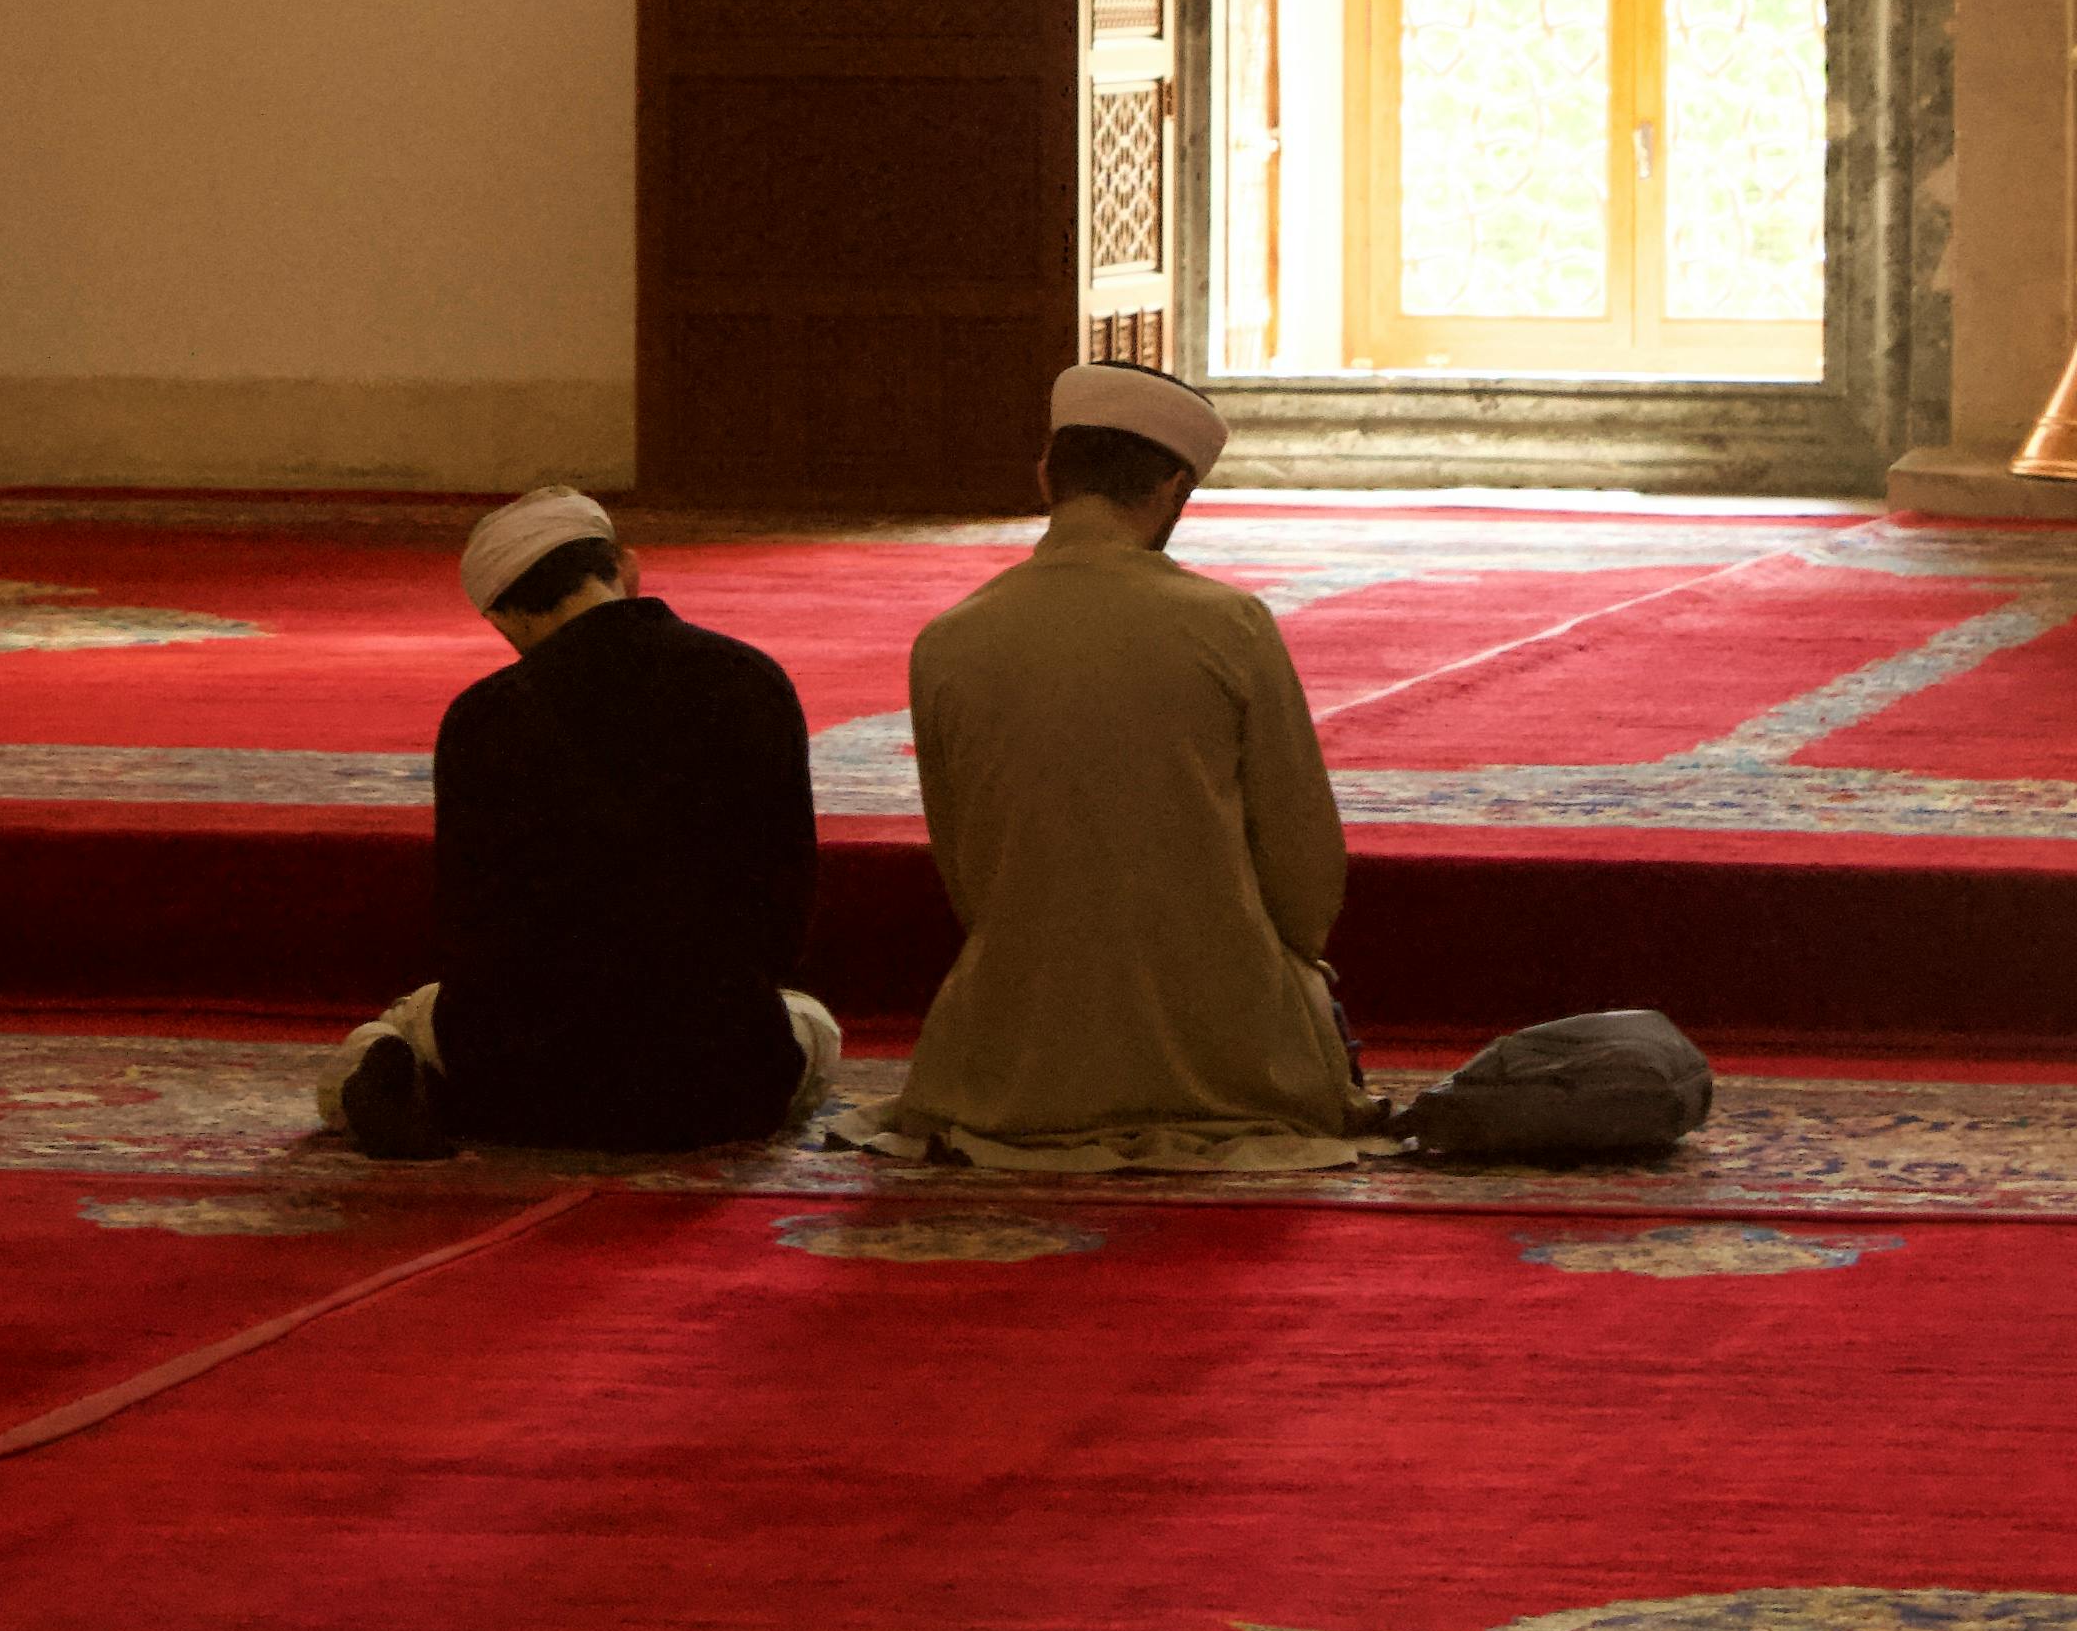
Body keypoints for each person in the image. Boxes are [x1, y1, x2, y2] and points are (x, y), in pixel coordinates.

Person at [888, 364, 1358, 1167]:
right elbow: (1304, 865)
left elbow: (967, 868)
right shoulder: (1231, 624)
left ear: (1048, 476)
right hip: (1231, 1057)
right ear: (1173, 490)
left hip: (1015, 1057)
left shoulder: (948, 639)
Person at [323, 488, 839, 1159]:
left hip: (516, 1089)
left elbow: (463, 921)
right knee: (815, 1026)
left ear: (502, 617)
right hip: (718, 1082)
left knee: (397, 1025)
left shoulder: (485, 715)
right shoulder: (752, 679)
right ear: (626, 568)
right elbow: (787, 902)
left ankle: (389, 1072)